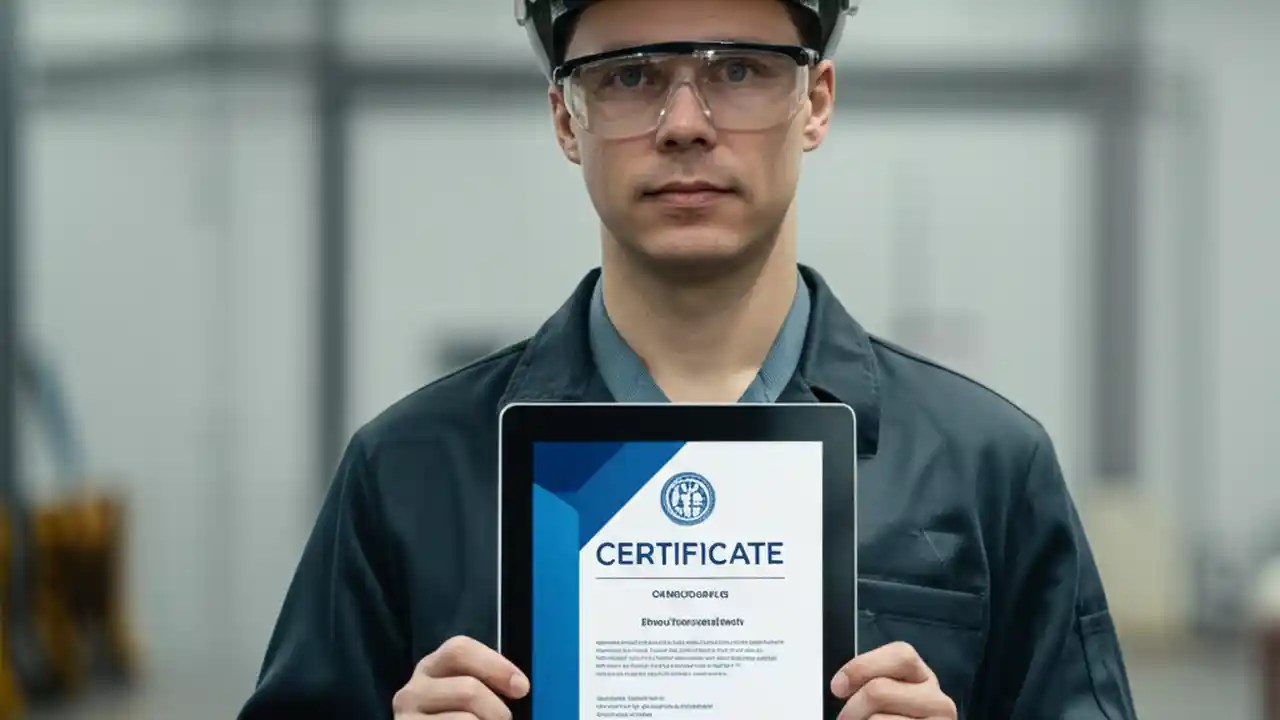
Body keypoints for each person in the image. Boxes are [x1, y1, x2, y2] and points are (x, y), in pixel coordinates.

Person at [239, 0, 1139, 717]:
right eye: (629, 75)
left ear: (815, 101)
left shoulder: (988, 467)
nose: (683, 124)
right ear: (565, 116)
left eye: (737, 71)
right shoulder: (409, 470)